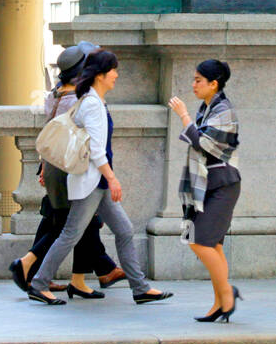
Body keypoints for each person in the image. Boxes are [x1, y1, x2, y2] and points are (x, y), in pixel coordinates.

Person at [27, 50, 172, 306]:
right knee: (70, 234)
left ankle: (140, 288)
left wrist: (108, 181)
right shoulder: (92, 104)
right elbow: (96, 150)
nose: (116, 75)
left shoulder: (92, 101)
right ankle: (39, 283)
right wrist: (113, 179)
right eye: (113, 70)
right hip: (91, 183)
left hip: (97, 184)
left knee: (124, 230)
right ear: (100, 75)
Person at [9, 41, 125, 299]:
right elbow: (74, 139)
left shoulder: (57, 94)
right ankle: (29, 264)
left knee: (68, 221)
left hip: (56, 166)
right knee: (68, 224)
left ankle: (80, 278)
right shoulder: (77, 99)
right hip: (68, 168)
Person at [169, 59, 242, 323]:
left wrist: (184, 115)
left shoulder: (224, 110)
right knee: (209, 243)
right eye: (194, 79)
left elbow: (205, 144)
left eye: (199, 80)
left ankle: (227, 295)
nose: (193, 85)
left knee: (200, 241)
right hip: (203, 184)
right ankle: (220, 302)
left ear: (214, 83)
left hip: (223, 182)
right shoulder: (208, 107)